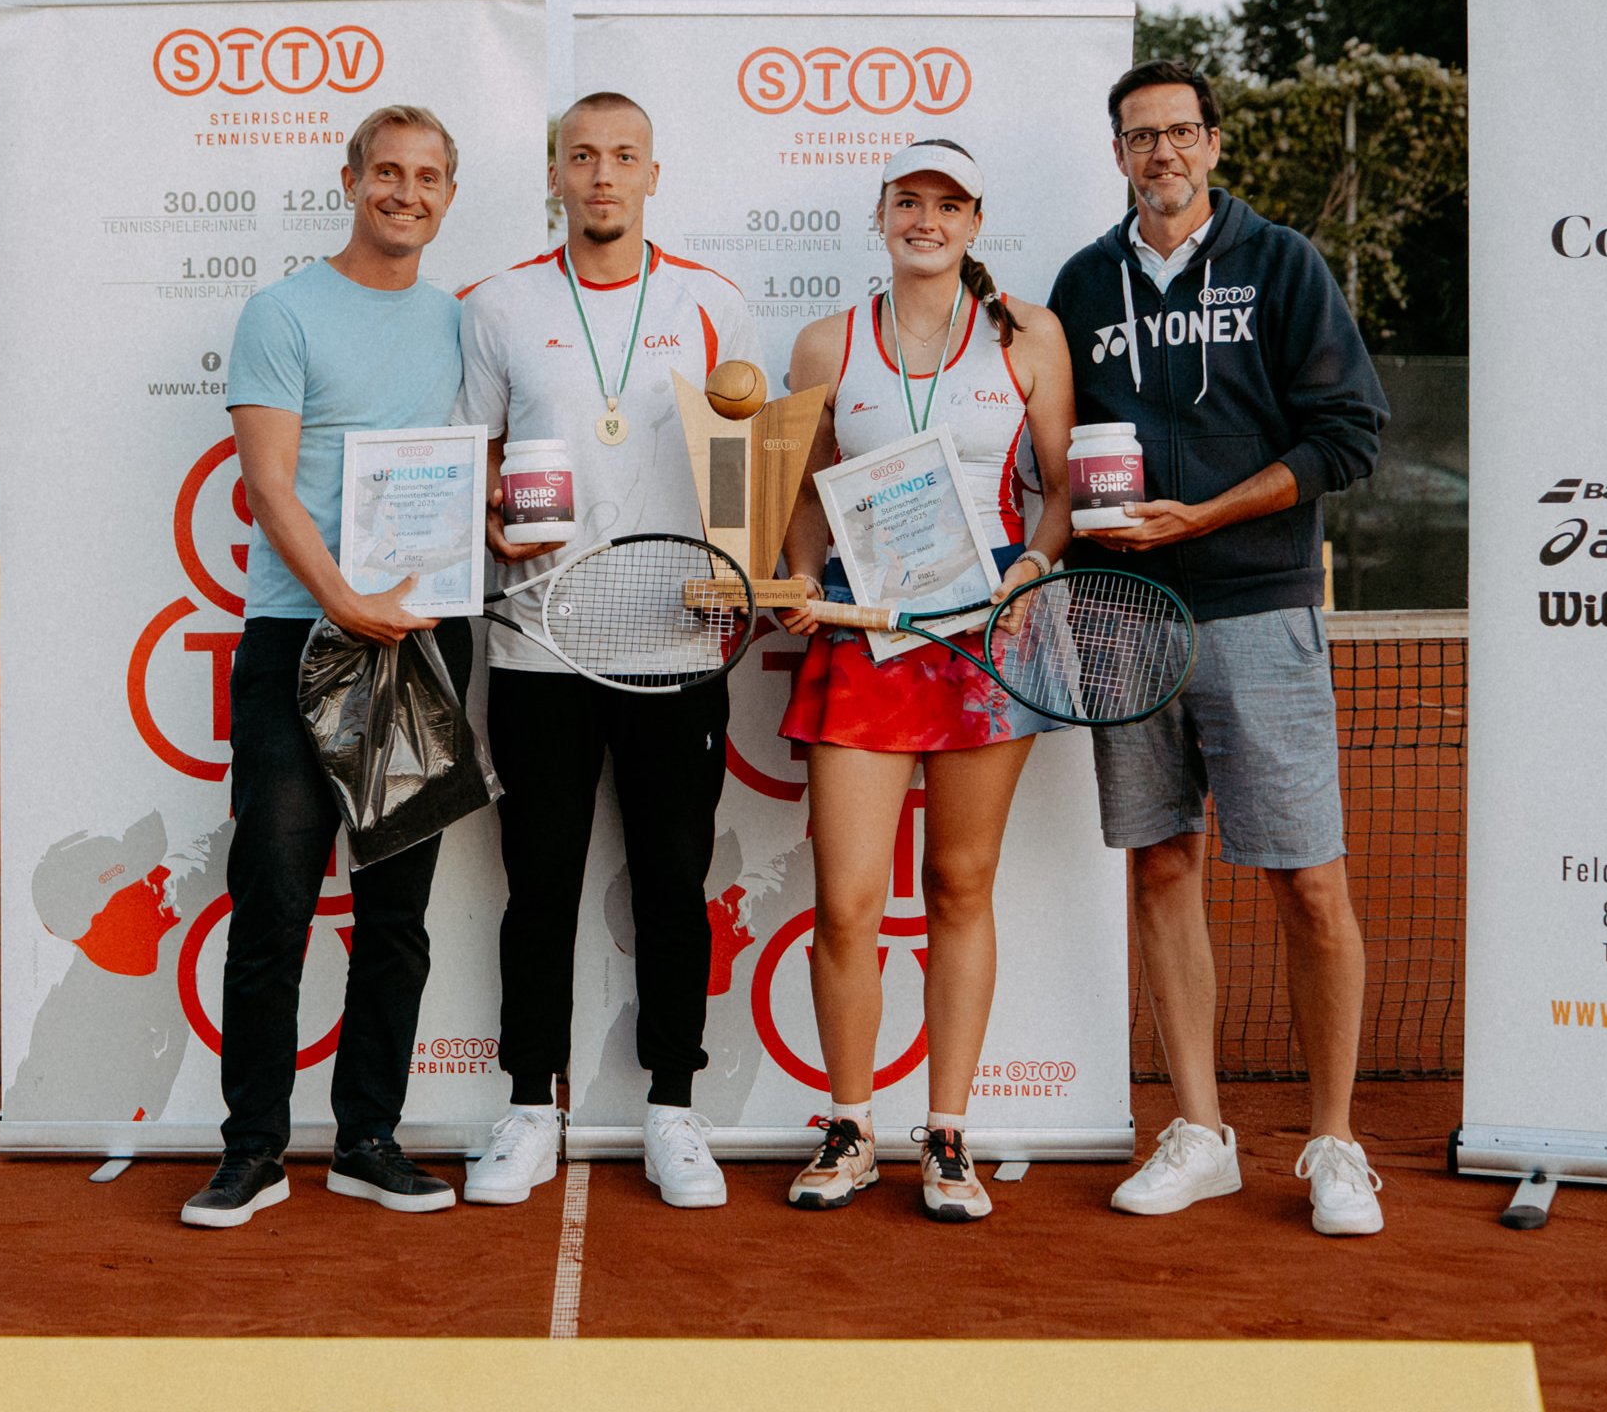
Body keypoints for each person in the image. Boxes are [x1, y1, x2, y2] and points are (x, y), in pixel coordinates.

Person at [1046, 60, 1392, 1234]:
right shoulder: (1084, 283)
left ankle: (1335, 1142)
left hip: (1257, 603)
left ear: (1215, 144)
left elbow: (1351, 433)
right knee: (1160, 865)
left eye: (1181, 133)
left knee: (1309, 881)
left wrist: (1207, 516)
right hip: (1124, 613)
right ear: (1118, 154)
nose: (1163, 155)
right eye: (1140, 137)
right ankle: (1200, 1131)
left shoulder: (1283, 262)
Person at [454, 92, 755, 1212]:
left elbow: (747, 466)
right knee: (539, 886)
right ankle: (530, 1106)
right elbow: (471, 460)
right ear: (555, 174)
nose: (602, 176)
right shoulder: (497, 308)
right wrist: (489, 517)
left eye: (624, 155)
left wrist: (743, 572)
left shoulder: (714, 303)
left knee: (675, 884)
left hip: (675, 642)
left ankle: (674, 1109)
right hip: (538, 642)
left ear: (653, 172)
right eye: (582, 157)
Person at [767, 140, 1078, 1221]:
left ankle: (948, 1136)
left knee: (958, 886)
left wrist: (1032, 570)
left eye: (948, 205)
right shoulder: (825, 343)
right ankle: (849, 1126)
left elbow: (1059, 491)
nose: (927, 220)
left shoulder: (1028, 336)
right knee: (847, 903)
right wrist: (800, 577)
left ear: (976, 221)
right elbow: (803, 494)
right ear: (882, 214)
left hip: (986, 636)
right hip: (864, 634)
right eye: (909, 201)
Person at [185, 104, 477, 1229]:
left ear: (450, 196)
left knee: (394, 916)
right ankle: (252, 1149)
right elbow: (269, 486)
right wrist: (345, 601)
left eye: (429, 177)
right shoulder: (282, 311)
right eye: (388, 172)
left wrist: (482, 538)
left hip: (416, 644)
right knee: (273, 906)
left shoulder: (459, 322)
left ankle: (368, 1139)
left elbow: (459, 478)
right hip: (298, 641)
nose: (407, 192)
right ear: (350, 179)